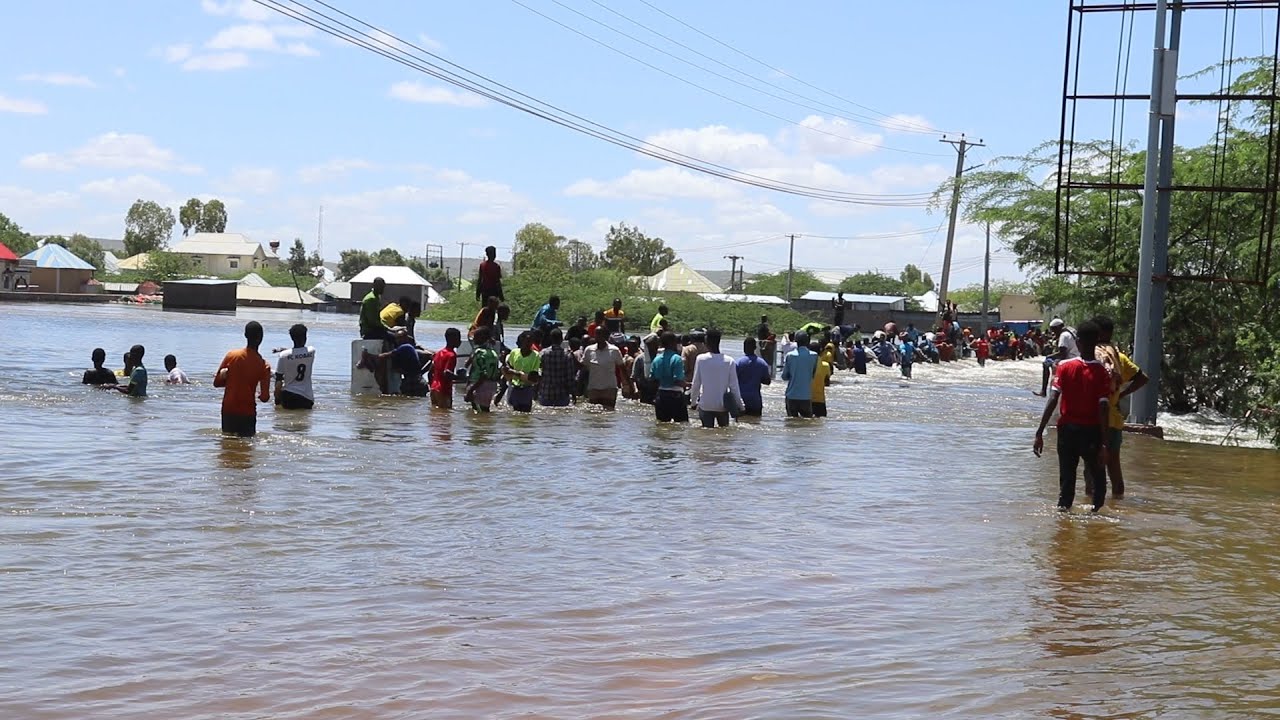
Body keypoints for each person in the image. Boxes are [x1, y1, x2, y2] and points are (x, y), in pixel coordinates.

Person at [1032, 320, 1111, 512]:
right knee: (1098, 479)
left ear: (1078, 343)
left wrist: (1039, 432)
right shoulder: (1102, 372)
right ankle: (1096, 521)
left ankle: (1063, 522)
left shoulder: (1064, 368)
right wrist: (1105, 444)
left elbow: (1052, 400)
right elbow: (1103, 409)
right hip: (1092, 432)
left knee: (1067, 480)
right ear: (1097, 342)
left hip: (1067, 431)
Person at [1089, 315, 1148, 498]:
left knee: (1090, 468)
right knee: (1114, 466)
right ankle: (1118, 504)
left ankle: (1091, 505)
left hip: (1092, 419)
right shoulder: (1119, 357)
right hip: (1113, 419)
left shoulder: (1092, 355)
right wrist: (1121, 394)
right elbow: (1143, 378)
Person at [214, 322, 272, 436]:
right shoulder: (264, 365)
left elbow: (216, 383)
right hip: (247, 411)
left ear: (245, 335)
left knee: (227, 445)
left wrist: (228, 377)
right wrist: (260, 395)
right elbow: (265, 398)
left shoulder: (231, 356)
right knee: (246, 447)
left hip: (228, 409)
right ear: (261, 337)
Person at [690, 328, 744, 428]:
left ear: (706, 341)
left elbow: (696, 383)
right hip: (722, 406)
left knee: (706, 435)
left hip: (705, 405)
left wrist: (693, 402)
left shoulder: (701, 359)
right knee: (723, 437)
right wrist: (740, 406)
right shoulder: (729, 361)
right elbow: (734, 387)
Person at [649, 331, 688, 422]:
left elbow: (652, 379)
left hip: (661, 396)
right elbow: (677, 380)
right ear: (673, 343)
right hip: (676, 397)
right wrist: (689, 385)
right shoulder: (677, 359)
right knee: (681, 426)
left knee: (662, 426)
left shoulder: (656, 359)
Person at [582, 325, 624, 409]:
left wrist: (629, 387)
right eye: (596, 334)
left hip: (609, 389)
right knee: (593, 415)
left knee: (608, 414)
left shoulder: (614, 350)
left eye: (600, 334)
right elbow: (584, 368)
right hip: (593, 388)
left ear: (606, 336)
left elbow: (622, 368)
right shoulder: (589, 350)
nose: (597, 336)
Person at [1035, 318, 1080, 397]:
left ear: (1058, 328)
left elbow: (1063, 353)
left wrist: (1050, 356)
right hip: (1076, 357)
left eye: (1054, 330)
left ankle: (1043, 390)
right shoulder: (1070, 331)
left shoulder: (1063, 335)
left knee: (1046, 363)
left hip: (1069, 359)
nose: (1053, 332)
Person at [273, 324, 314, 410]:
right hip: (306, 398)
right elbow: (299, 352)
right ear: (305, 337)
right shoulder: (312, 351)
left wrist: (277, 400)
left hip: (288, 396)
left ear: (292, 338)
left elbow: (279, 380)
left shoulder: (283, 356)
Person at [781, 330, 817, 418]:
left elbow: (784, 376)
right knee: (807, 424)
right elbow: (813, 374)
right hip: (806, 396)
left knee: (792, 423)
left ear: (796, 342)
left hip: (791, 395)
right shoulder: (814, 356)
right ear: (808, 341)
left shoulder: (790, 356)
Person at [465, 327, 501, 411]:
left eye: (476, 336)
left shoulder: (479, 353)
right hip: (491, 385)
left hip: (479, 385)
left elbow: (482, 374)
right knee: (485, 410)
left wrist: (471, 390)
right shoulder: (493, 353)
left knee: (477, 411)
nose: (473, 339)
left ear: (482, 338)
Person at [505, 331, 541, 413]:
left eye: (531, 341)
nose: (528, 343)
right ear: (521, 341)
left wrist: (515, 373)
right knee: (514, 413)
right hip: (514, 387)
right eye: (526, 341)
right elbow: (508, 367)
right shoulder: (514, 352)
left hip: (527, 389)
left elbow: (533, 377)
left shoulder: (535, 355)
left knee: (526, 413)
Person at [538, 327, 574, 407]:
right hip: (562, 394)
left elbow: (538, 372)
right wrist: (573, 393)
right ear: (561, 339)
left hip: (546, 393)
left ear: (551, 339)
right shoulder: (567, 354)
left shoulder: (543, 353)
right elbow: (570, 376)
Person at [735, 337, 772, 417]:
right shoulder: (762, 363)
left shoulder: (738, 363)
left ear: (744, 348)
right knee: (756, 423)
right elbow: (767, 381)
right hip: (755, 401)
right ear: (755, 347)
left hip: (741, 400)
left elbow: (732, 381)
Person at [429, 328, 463, 409]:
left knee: (435, 415)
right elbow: (447, 373)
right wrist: (461, 378)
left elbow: (430, 372)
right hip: (444, 389)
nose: (460, 341)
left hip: (434, 388)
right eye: (458, 338)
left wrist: (431, 386)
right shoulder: (451, 355)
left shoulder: (438, 353)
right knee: (445, 415)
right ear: (453, 339)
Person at [359, 277, 391, 341]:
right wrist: (387, 329)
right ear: (374, 286)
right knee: (395, 337)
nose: (382, 289)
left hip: (375, 329)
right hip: (369, 331)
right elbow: (372, 321)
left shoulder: (376, 298)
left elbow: (377, 319)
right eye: (380, 286)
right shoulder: (371, 299)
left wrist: (389, 328)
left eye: (383, 287)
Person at [809, 341, 834, 417]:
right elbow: (827, 383)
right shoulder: (826, 366)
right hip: (820, 399)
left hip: (806, 398)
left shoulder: (804, 365)